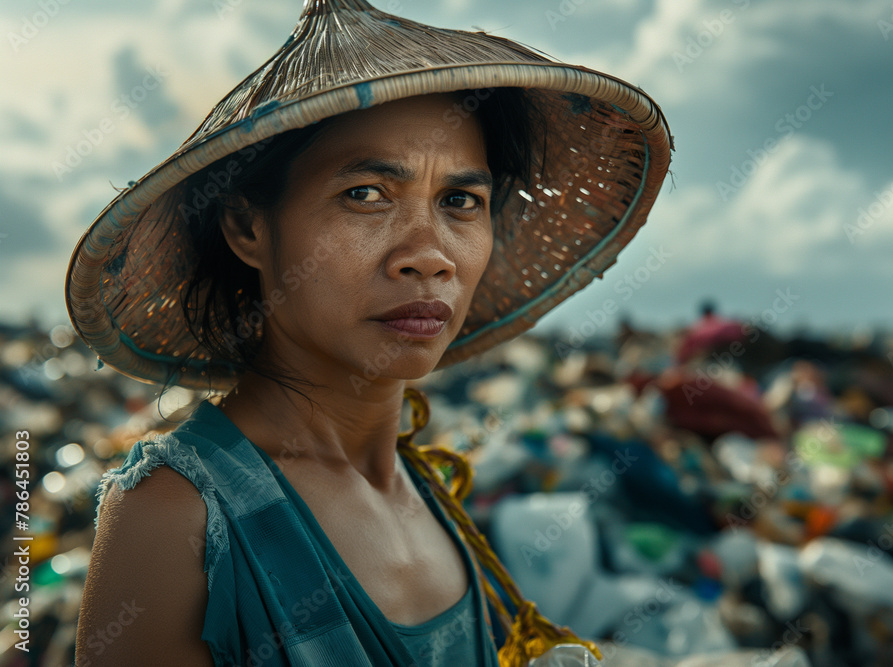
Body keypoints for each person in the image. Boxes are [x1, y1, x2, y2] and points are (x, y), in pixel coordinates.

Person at [65, 0, 672, 665]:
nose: (428, 253)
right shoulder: (174, 515)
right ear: (248, 228)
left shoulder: (427, 488)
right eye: (366, 194)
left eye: (460, 202)